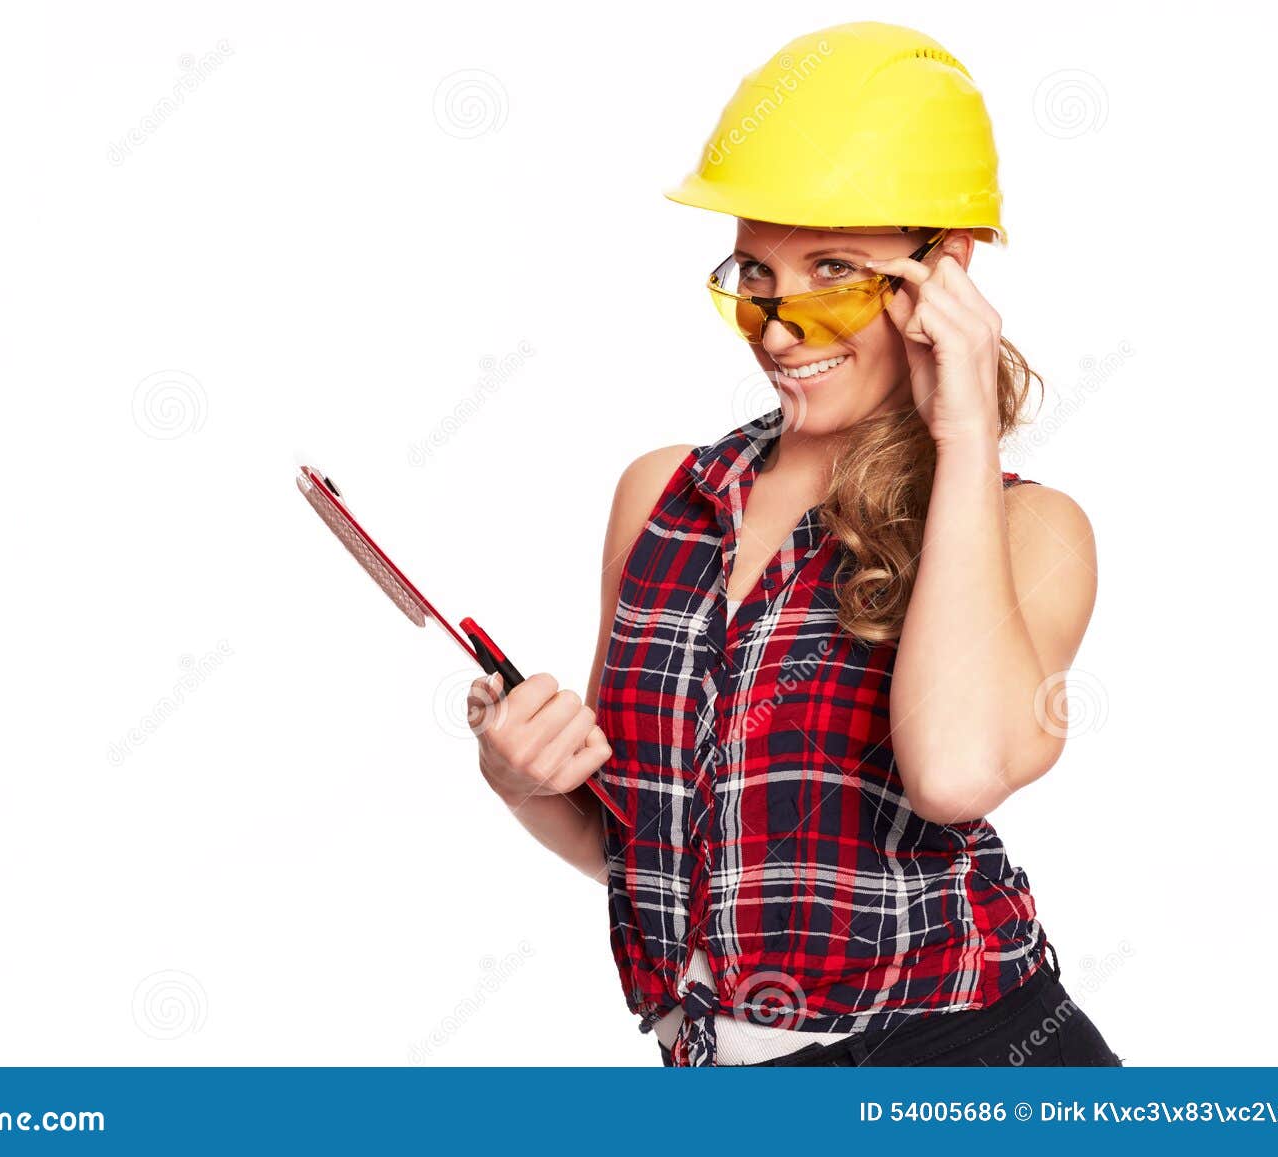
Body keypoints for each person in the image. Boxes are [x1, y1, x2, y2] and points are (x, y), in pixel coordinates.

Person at [468, 21, 1123, 1068]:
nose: (778, 329)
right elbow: (643, 851)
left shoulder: (1028, 529)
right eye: (755, 275)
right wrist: (522, 774)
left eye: (832, 271)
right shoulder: (664, 499)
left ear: (940, 275)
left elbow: (954, 772)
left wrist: (960, 428)